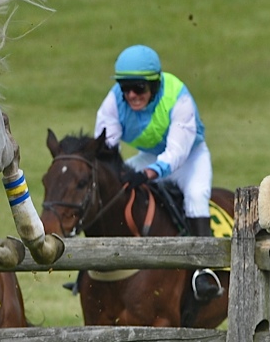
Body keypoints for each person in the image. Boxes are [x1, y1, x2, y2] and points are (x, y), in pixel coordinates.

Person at [93, 45, 220, 299]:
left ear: (155, 84)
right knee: (110, 188)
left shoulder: (177, 96)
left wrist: (147, 174)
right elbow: (106, 147)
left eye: (139, 88)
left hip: (189, 157)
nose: (131, 95)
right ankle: (89, 267)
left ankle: (204, 270)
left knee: (196, 195)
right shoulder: (114, 100)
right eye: (125, 87)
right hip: (150, 157)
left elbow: (176, 152)